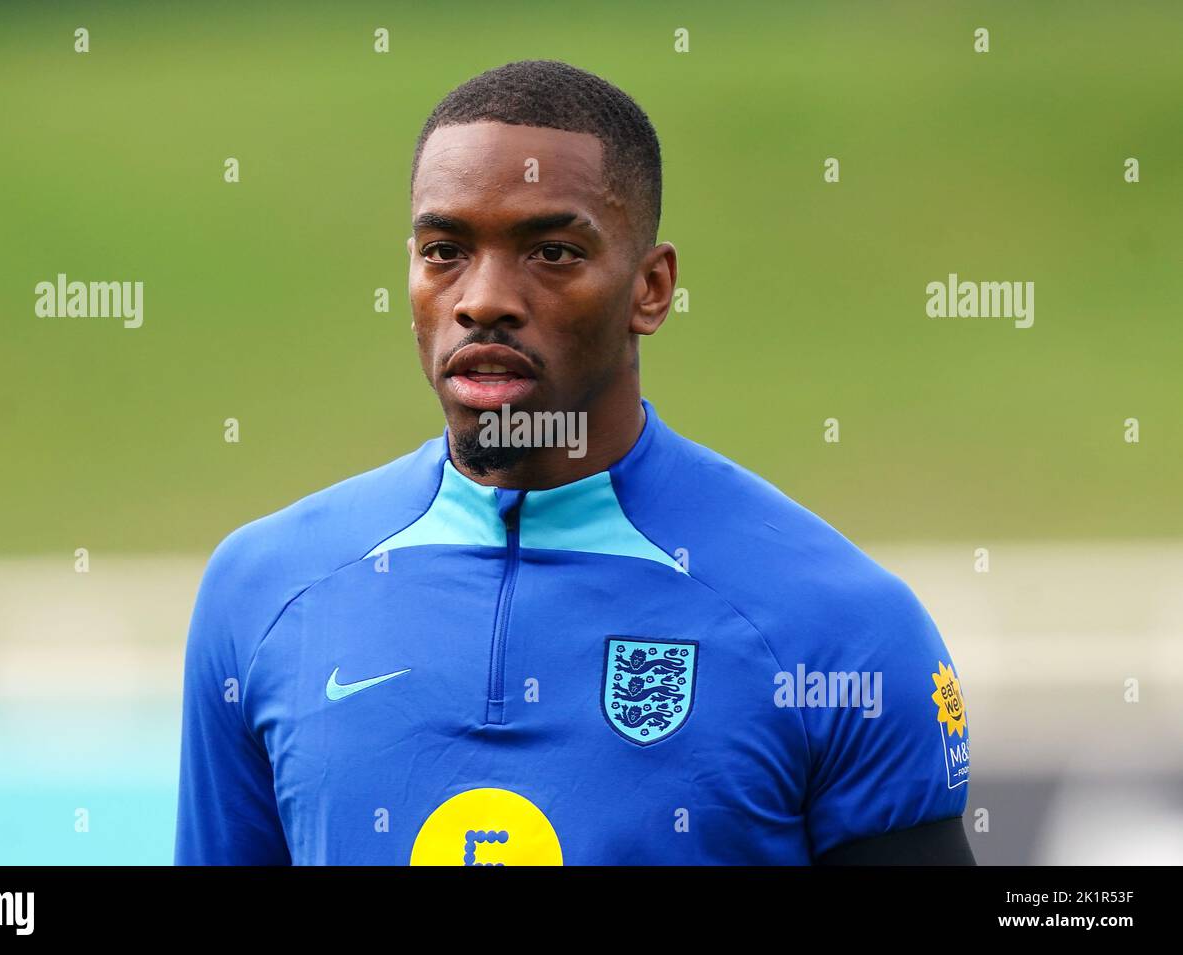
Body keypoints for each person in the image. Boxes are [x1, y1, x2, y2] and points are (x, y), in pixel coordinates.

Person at [175, 59, 974, 865]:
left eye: (552, 252)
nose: (482, 298)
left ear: (650, 289)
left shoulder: (838, 630)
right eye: (444, 249)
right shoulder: (265, 591)